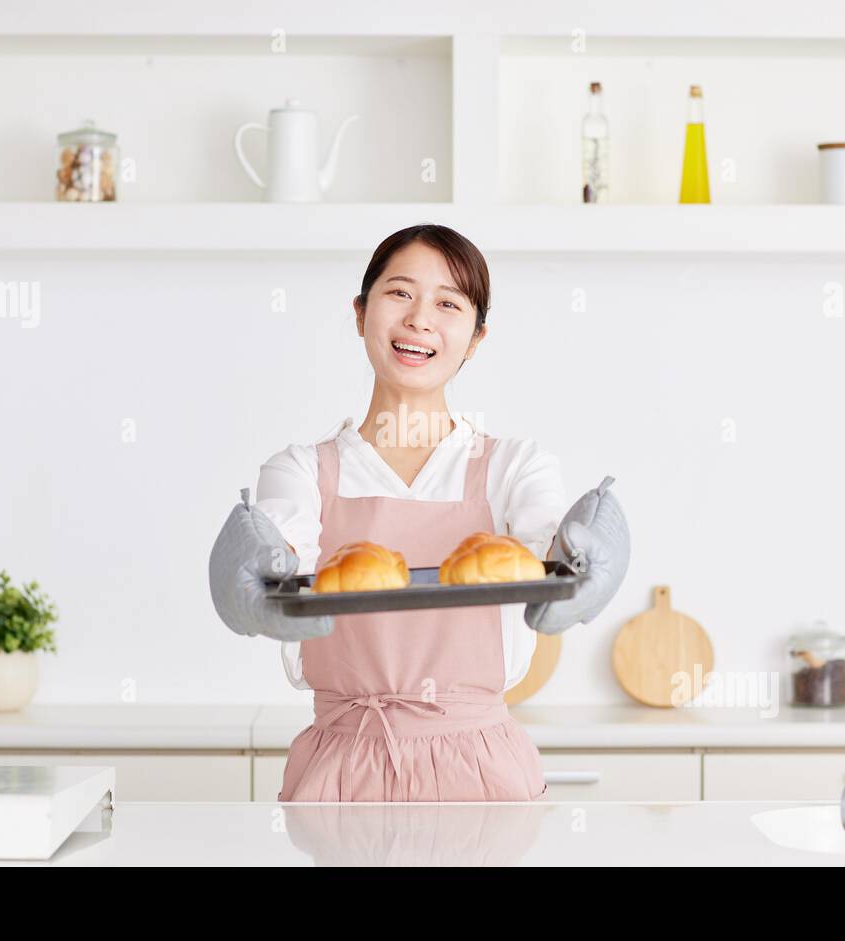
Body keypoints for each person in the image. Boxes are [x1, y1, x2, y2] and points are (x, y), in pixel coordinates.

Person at [209, 224, 630, 802]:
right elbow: (274, 558)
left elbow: (551, 549)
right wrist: (251, 577)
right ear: (360, 314)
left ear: (476, 338)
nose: (419, 319)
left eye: (448, 303)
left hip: (482, 768)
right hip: (341, 768)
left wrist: (583, 558)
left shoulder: (514, 466)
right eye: (399, 293)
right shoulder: (300, 470)